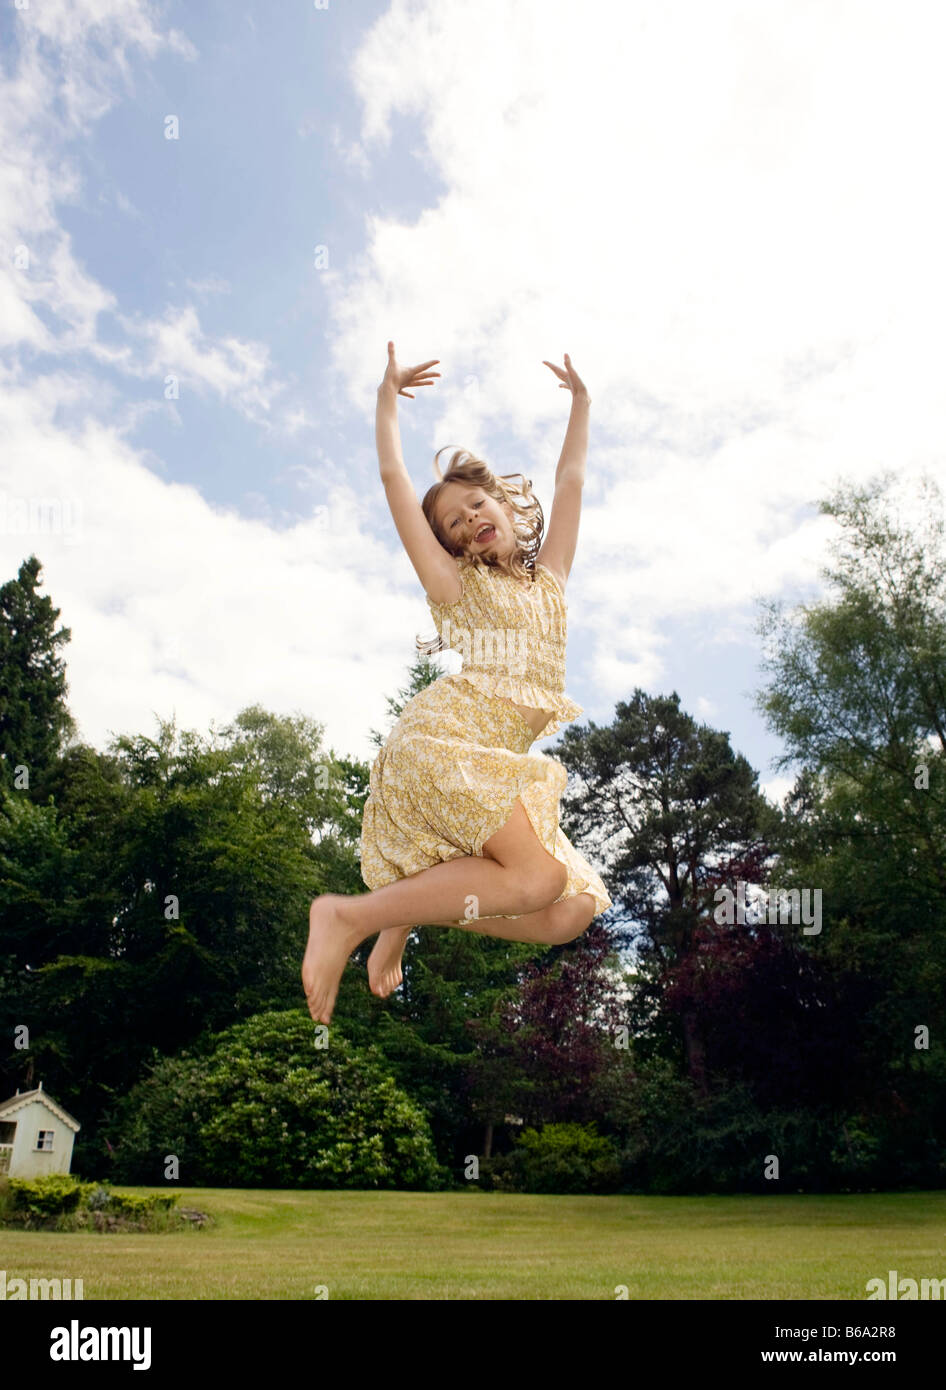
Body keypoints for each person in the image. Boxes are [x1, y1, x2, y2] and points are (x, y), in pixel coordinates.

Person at [302, 341, 611, 1023]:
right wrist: (386, 401)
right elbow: (393, 483)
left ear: (500, 503)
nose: (470, 519)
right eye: (453, 523)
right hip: (445, 740)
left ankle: (402, 914)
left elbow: (571, 483)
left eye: (476, 504)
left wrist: (582, 403)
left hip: (492, 760)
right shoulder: (454, 588)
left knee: (571, 909)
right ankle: (348, 916)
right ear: (449, 546)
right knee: (538, 878)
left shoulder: (551, 581)